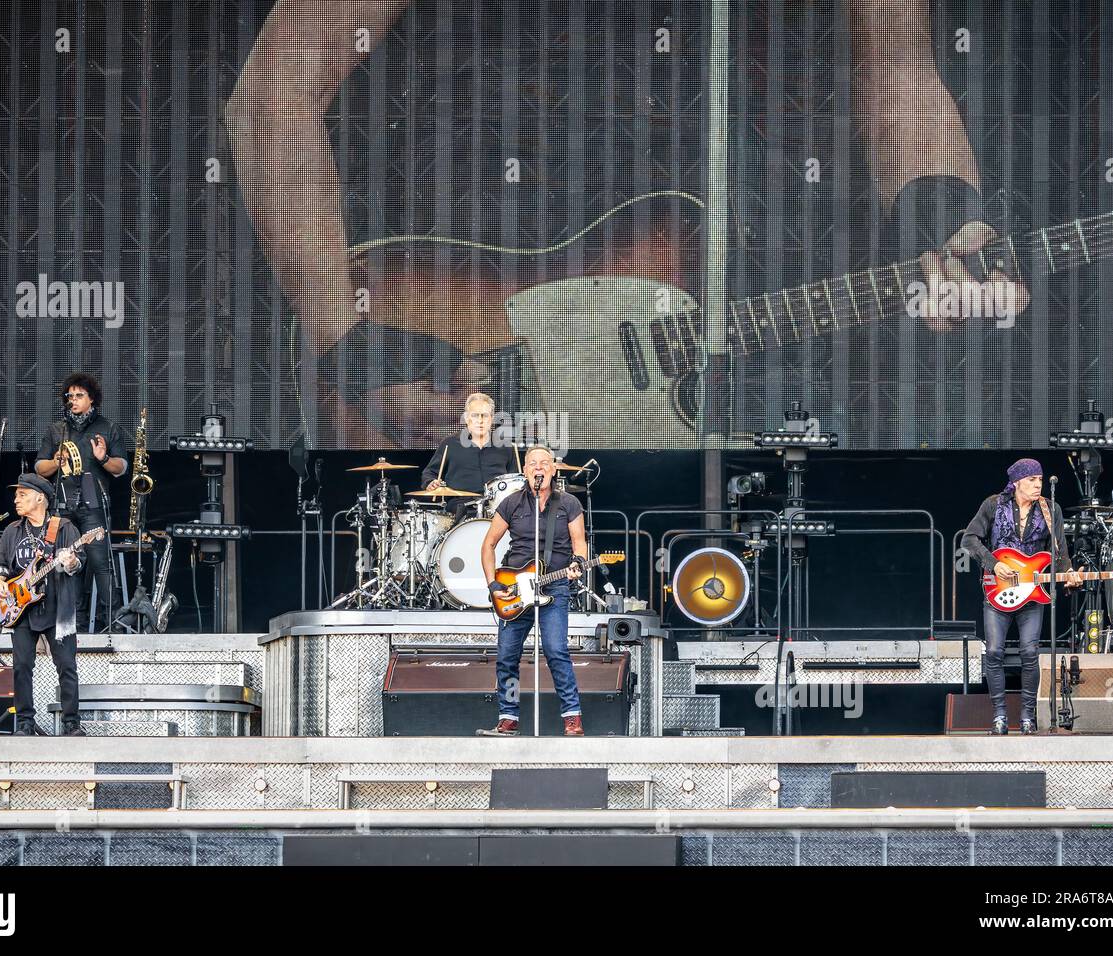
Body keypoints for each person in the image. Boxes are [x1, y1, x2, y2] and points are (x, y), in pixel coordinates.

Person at [225, 0, 1030, 447]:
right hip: (466, 332)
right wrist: (353, 344)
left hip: (745, 313)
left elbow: (896, 63)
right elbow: (273, 96)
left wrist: (947, 216)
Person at [962, 458, 1083, 735]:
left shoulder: (1050, 509)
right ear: (1016, 483)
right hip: (998, 590)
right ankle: (1000, 717)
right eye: (1032, 480)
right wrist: (993, 563)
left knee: (1030, 653)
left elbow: (1060, 551)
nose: (1038, 484)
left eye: (1040, 479)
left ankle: (1028, 718)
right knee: (993, 652)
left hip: (1031, 593)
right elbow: (969, 539)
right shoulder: (993, 504)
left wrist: (1069, 575)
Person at [478, 445, 589, 736]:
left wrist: (578, 562)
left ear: (553, 469)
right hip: (515, 588)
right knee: (507, 656)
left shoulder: (569, 504)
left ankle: (572, 716)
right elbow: (488, 544)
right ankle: (508, 716)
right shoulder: (511, 503)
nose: (538, 468)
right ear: (525, 471)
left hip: (554, 584)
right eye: (533, 464)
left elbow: (580, 543)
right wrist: (493, 585)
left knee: (556, 650)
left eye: (544, 463)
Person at [0, 474, 87, 736]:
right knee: (22, 667)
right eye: (16, 495)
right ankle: (24, 722)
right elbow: (1, 563)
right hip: (21, 609)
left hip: (58, 610)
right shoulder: (12, 531)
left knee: (67, 666)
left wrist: (70, 563)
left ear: (40, 498)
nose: (16, 499)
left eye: (22, 494)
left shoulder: (64, 528)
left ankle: (71, 723)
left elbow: (79, 563)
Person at [34, 373, 127, 631]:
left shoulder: (107, 428)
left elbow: (121, 468)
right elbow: (39, 468)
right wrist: (56, 462)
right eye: (70, 396)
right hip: (61, 510)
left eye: (79, 395)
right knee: (64, 563)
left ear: (92, 398)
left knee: (100, 564)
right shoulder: (57, 430)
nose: (73, 400)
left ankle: (114, 624)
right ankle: (74, 624)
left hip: (94, 507)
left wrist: (103, 458)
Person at [420, 392, 518, 513]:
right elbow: (429, 473)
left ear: (492, 418)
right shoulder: (450, 444)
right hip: (461, 507)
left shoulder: (506, 447)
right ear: (466, 418)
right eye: (475, 415)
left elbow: (515, 482)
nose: (480, 420)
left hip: (498, 509)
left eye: (485, 415)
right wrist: (430, 482)